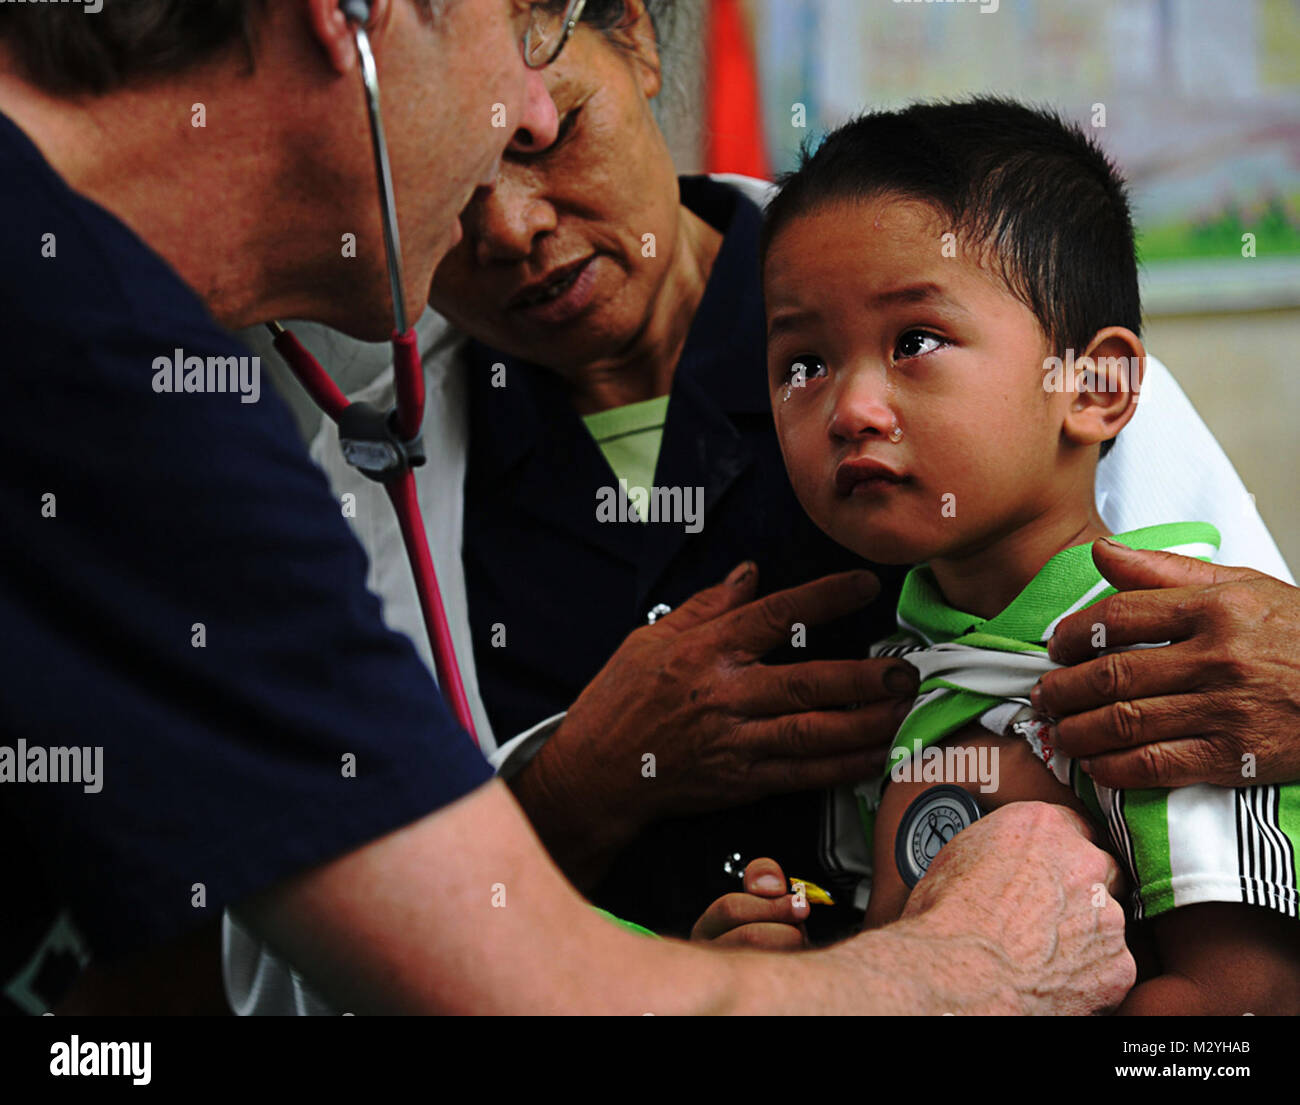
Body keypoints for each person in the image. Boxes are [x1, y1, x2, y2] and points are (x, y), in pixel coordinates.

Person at [0, 0, 1135, 1016]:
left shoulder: (1004, 332)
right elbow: (455, 977)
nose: (511, 202)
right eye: (512, 54)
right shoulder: (116, 387)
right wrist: (967, 971)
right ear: (351, 19)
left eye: (549, 114)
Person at [280, 0, 1296, 943]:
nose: (512, 226)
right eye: (441, 188)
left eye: (543, 139)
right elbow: (315, 944)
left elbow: (1237, 704)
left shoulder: (990, 294)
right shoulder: (372, 479)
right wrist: (579, 785)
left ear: (634, 38)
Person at [722, 98, 1300, 1013]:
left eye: (915, 342)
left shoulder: (1172, 658)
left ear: (1095, 386)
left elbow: (1245, 1000)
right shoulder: (906, 669)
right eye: (804, 362)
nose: (849, 409)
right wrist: (786, 966)